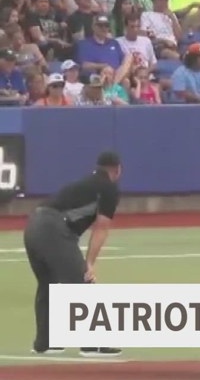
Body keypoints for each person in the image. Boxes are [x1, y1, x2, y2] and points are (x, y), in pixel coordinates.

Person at [23, 151, 124, 358]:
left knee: (47, 284)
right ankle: (93, 344)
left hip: (33, 225)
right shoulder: (108, 188)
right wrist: (89, 264)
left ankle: (46, 342)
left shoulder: (86, 183)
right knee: (82, 284)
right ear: (117, 170)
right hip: (54, 228)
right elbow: (101, 228)